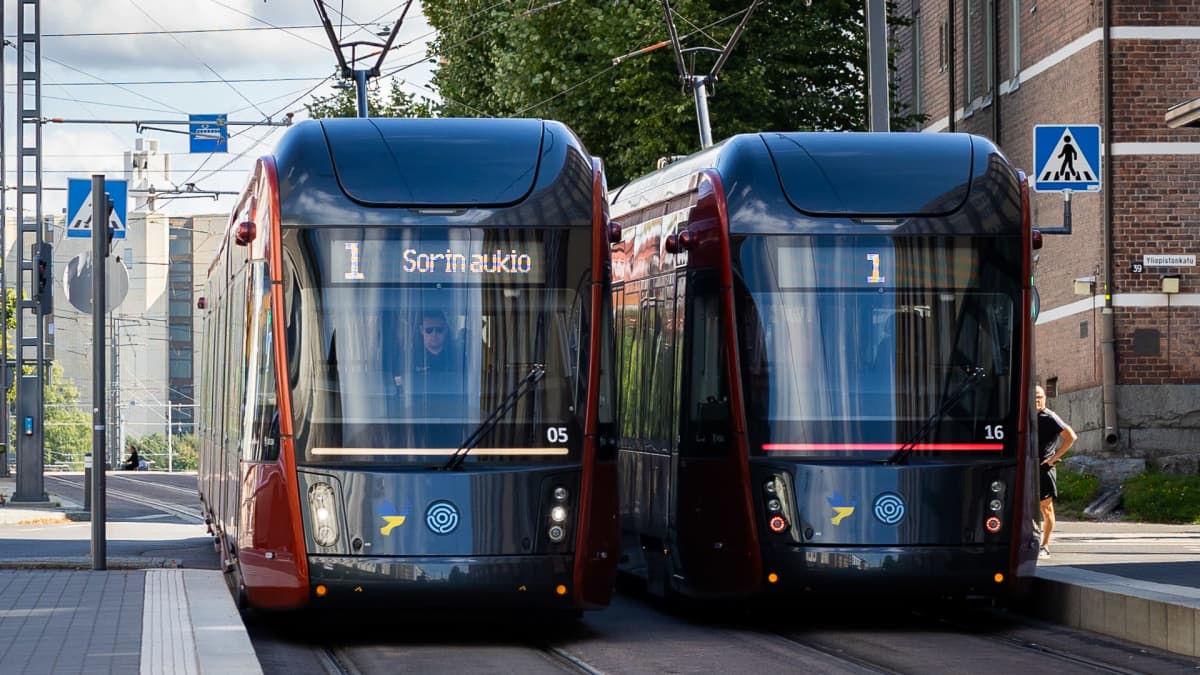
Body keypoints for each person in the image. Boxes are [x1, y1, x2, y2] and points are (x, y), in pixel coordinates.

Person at [1036, 385, 1077, 558]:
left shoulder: (1050, 417)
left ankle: (1045, 546)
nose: (1036, 401)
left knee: (1046, 508)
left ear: (1045, 397)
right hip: (1027, 466)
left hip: (1044, 468)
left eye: (1039, 397)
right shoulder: (1023, 417)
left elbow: (1071, 437)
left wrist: (1052, 459)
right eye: (1032, 397)